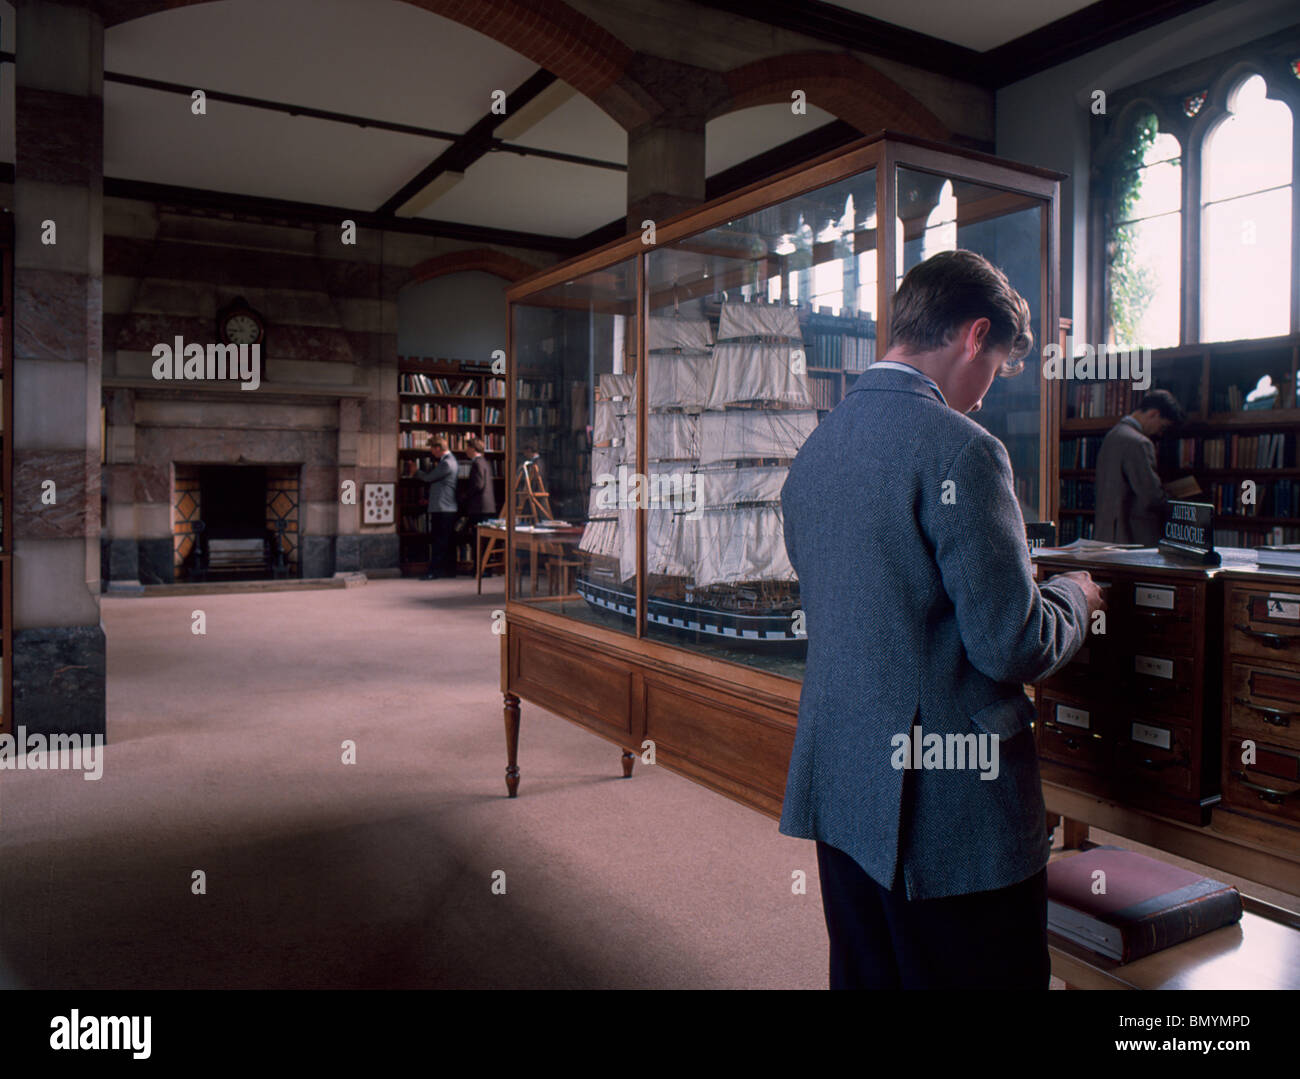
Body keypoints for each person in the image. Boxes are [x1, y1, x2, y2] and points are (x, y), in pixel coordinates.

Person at [779, 249, 1106, 990]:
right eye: (994, 367)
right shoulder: (964, 450)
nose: (986, 395)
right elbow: (1011, 642)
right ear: (972, 334)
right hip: (951, 818)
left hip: (846, 791)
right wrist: (1075, 600)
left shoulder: (815, 451)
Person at [1093, 390, 1185, 545]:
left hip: (1107, 534)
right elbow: (1152, 497)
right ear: (1153, 414)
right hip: (1130, 536)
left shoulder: (1113, 434)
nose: (1160, 434)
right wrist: (1175, 499)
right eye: (1162, 427)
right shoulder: (1139, 443)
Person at [415, 437, 458, 580]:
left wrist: (416, 471)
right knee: (444, 541)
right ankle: (448, 571)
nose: (432, 453)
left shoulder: (447, 463)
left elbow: (429, 478)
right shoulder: (448, 461)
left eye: (432, 449)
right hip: (444, 507)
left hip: (443, 508)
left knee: (439, 542)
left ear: (438, 448)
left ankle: (435, 572)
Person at [459, 437, 498, 575]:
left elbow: (478, 485)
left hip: (480, 507)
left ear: (472, 449)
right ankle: (483, 568)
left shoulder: (477, 463)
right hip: (486, 507)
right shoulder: (485, 462)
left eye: (467, 447)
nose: (465, 450)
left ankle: (481, 569)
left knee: (478, 540)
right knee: (483, 540)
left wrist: (465, 495)